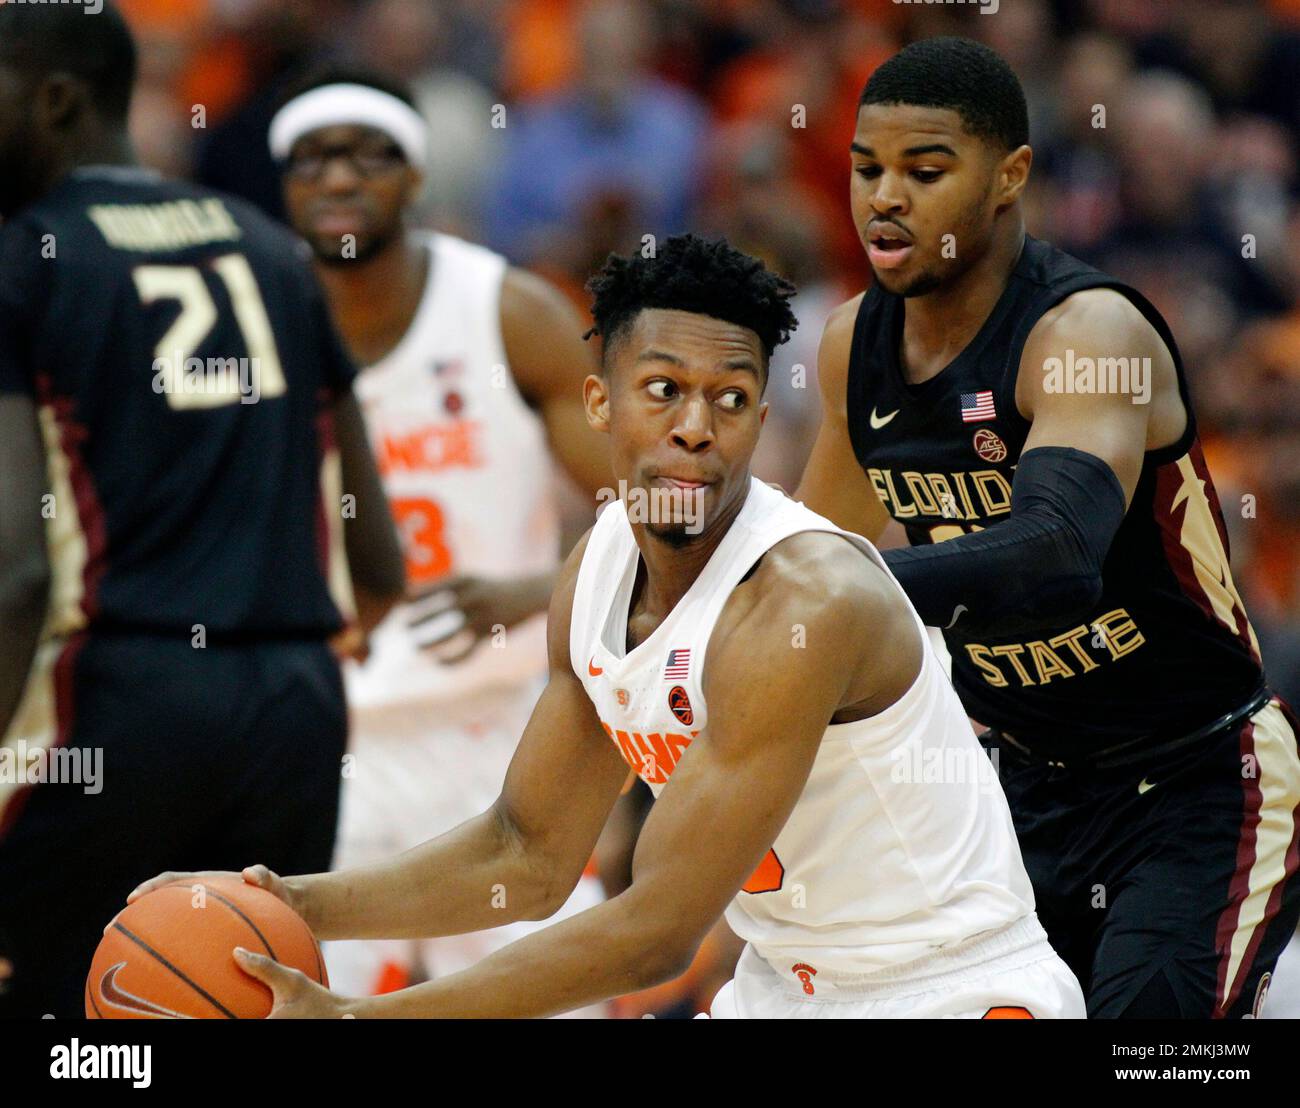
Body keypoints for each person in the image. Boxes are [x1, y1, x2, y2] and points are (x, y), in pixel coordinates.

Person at [130, 234, 1084, 1020]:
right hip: (787, 991)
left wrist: (359, 1019)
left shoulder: (804, 602)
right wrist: (285, 902)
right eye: (663, 388)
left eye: (731, 398)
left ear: (758, 417)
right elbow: (527, 855)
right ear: (600, 403)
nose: (696, 426)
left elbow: (656, 930)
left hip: (948, 992)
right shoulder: (597, 566)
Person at [794, 36, 1300, 1018]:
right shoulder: (853, 345)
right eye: (865, 170)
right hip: (1020, 788)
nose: (882, 197)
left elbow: (1056, 554)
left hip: (1199, 779)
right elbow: (804, 558)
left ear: (1008, 177)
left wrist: (825, 587)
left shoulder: (1087, 332)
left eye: (924, 170)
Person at [0, 3, 404, 1019]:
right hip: (298, 709)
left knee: (67, 1025)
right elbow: (380, 560)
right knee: (243, 1010)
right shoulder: (271, 247)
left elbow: (14, 567)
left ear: (53, 98)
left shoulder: (26, 257)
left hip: (115, 702)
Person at [271, 67, 611, 1002]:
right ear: (286, 187)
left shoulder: (510, 310)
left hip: (502, 738)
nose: (340, 177)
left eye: (368, 154)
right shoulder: (259, 327)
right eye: (313, 159)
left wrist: (535, 592)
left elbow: (662, 510)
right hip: (332, 743)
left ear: (417, 178)